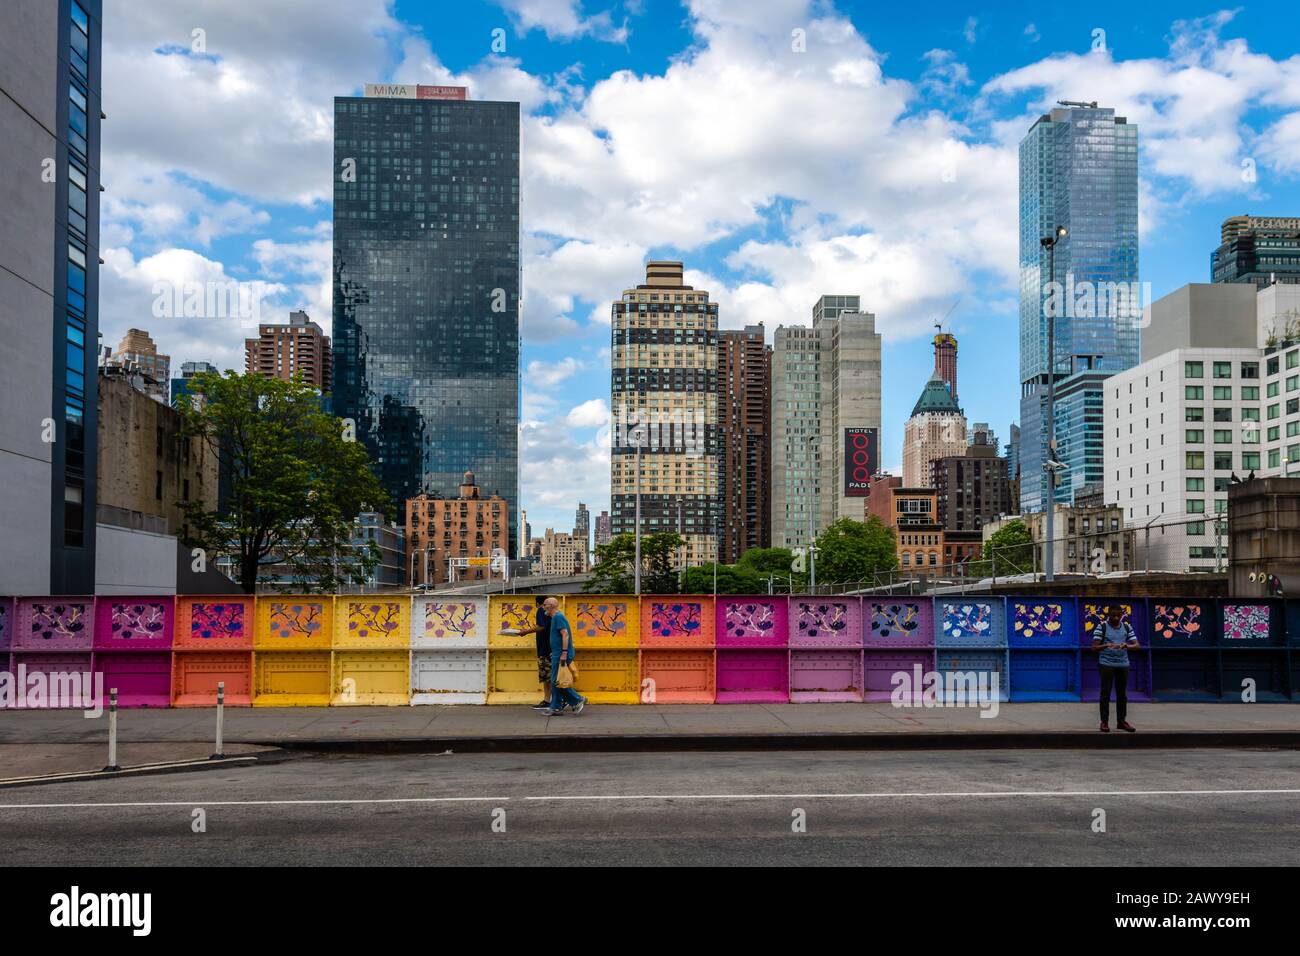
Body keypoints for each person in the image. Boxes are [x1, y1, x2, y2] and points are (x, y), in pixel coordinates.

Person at [1092, 604, 1138, 733]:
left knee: (1122, 695)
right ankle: (1104, 722)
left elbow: (1137, 645)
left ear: (1122, 615)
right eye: (1113, 615)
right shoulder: (1102, 627)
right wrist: (1107, 645)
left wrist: (1127, 646)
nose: (1116, 618)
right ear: (1109, 615)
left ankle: (1121, 721)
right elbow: (1094, 647)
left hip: (1123, 664)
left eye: (1118, 615)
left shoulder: (1127, 627)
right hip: (1106, 664)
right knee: (1105, 694)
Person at [543, 596, 586, 716]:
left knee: (556, 681)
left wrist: (564, 653)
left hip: (561, 654)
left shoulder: (558, 617)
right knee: (557, 681)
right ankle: (558, 706)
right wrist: (557, 651)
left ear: (551, 606)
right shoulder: (556, 617)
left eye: (545, 604)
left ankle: (576, 700)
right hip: (558, 653)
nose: (543, 607)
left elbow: (565, 635)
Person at [520, 595, 554, 711]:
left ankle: (548, 700)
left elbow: (541, 626)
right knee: (550, 676)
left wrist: (525, 632)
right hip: (550, 648)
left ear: (537, 603)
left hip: (545, 649)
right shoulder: (551, 613)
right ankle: (551, 700)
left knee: (547, 677)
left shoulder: (541, 610)